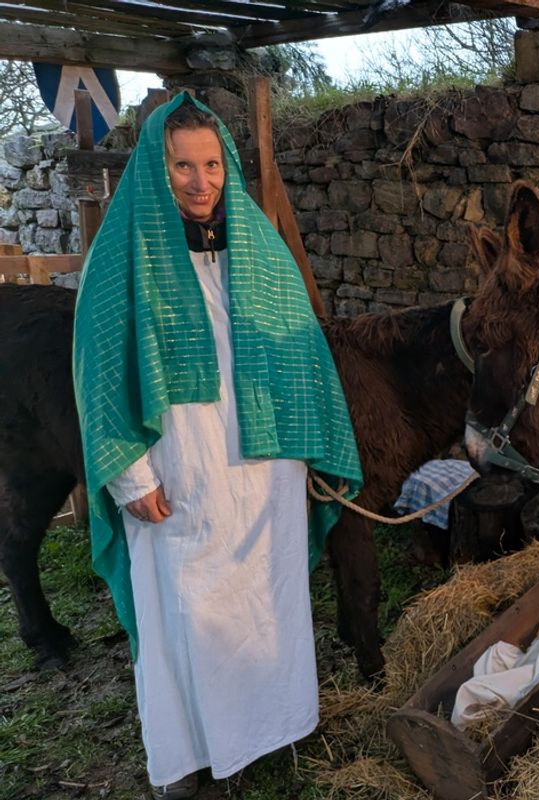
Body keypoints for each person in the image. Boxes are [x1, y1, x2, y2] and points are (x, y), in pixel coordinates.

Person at [73, 95, 362, 799]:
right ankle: (191, 755)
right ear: (156, 170)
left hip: (265, 469)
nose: (200, 181)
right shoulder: (124, 256)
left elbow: (302, 352)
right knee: (186, 609)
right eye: (182, 166)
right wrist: (128, 476)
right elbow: (99, 364)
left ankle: (262, 730)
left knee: (263, 598)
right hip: (179, 472)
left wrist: (312, 447)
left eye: (211, 165)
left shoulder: (259, 250)